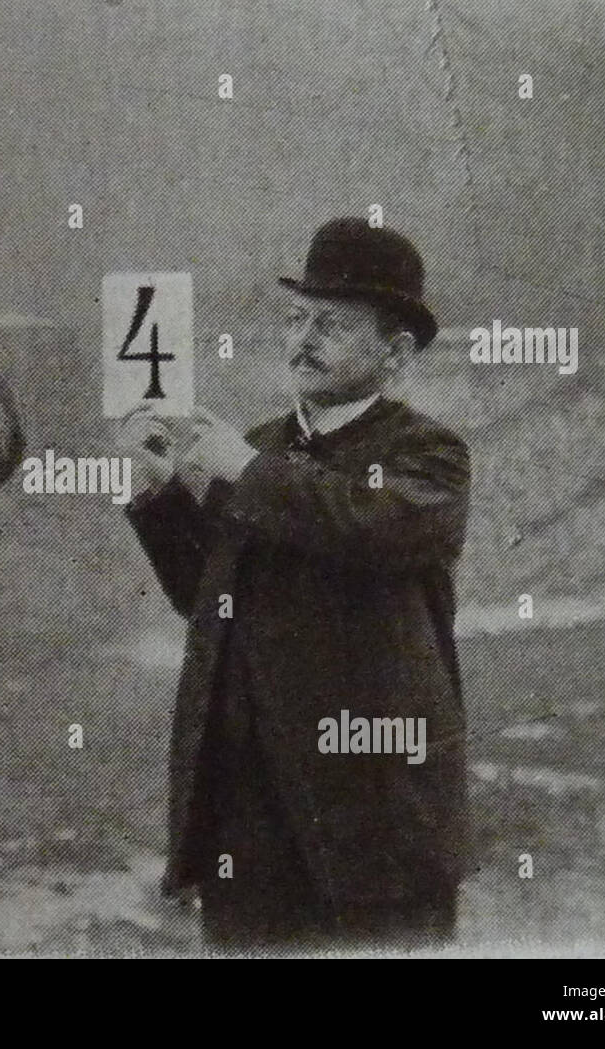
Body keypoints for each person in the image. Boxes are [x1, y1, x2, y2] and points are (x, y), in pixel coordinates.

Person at [117, 217, 470, 950]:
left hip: (379, 819)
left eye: (332, 325)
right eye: (296, 318)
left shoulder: (430, 452)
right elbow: (211, 599)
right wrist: (158, 498)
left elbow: (369, 526)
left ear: (396, 352)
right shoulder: (263, 446)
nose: (302, 339)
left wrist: (242, 470)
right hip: (250, 818)